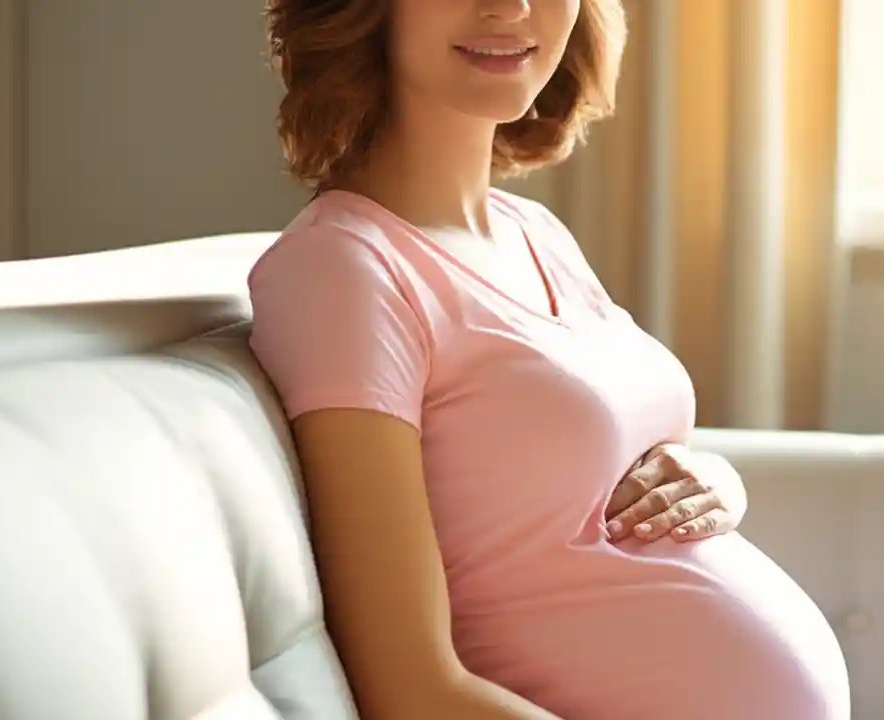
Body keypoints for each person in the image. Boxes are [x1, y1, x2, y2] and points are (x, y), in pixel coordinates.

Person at [247, 1, 850, 717]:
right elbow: (410, 689)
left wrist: (711, 480)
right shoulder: (345, 271)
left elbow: (574, 492)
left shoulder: (533, 233)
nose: (512, 7)